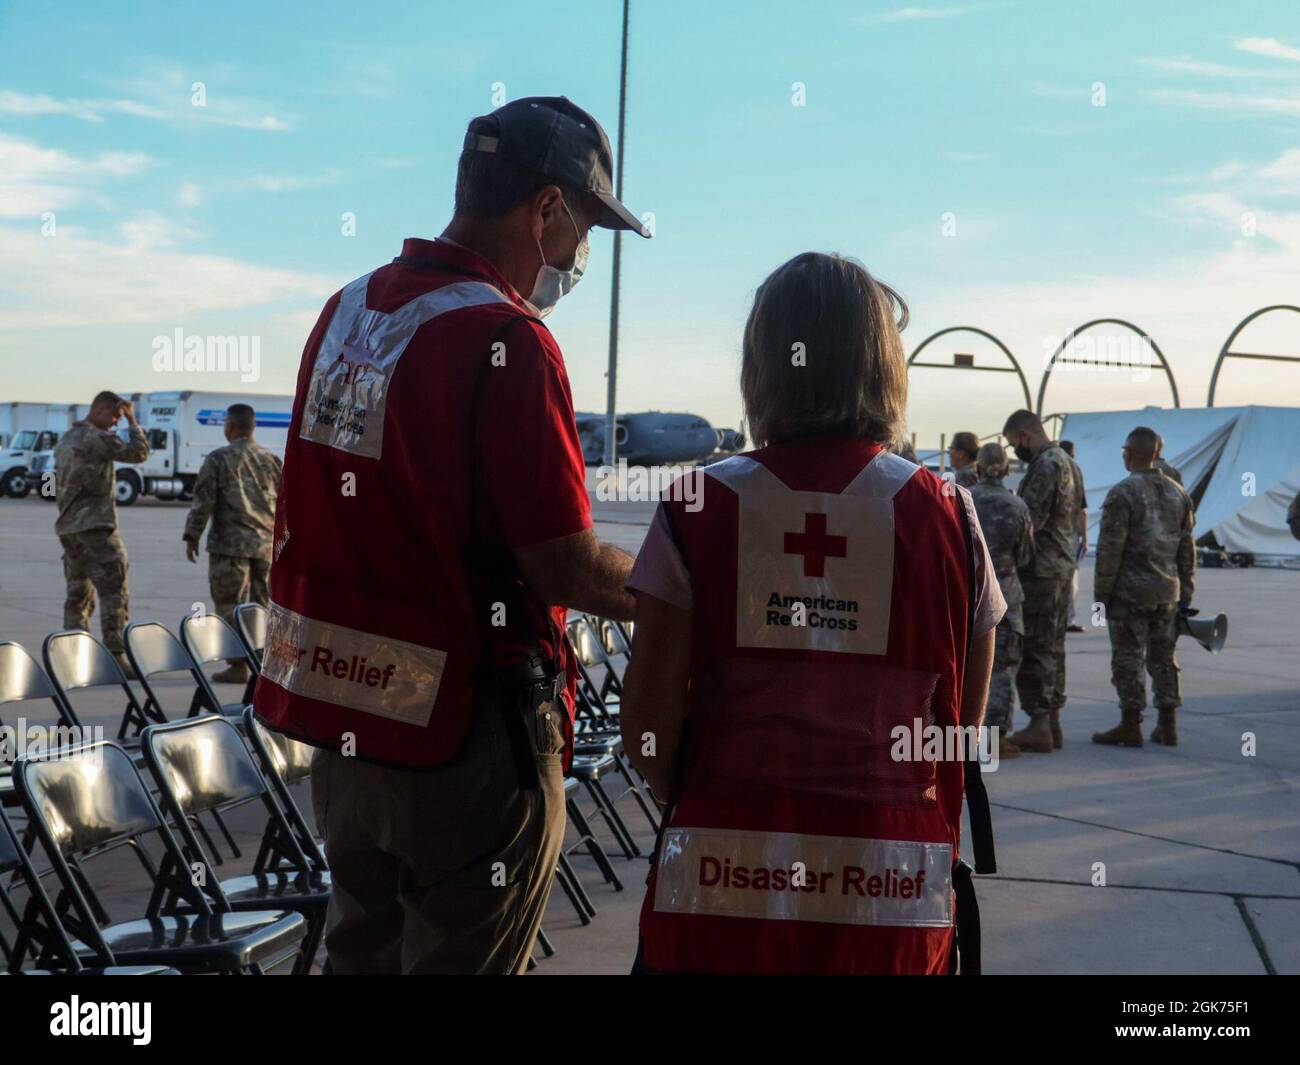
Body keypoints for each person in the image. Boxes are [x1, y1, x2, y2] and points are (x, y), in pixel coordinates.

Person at [254, 96, 648, 974]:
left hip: (349, 731)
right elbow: (563, 563)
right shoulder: (505, 338)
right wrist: (676, 586)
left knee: (361, 955)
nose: (581, 255)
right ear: (545, 209)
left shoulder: (347, 312)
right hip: (464, 741)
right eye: (584, 226)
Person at [621, 252, 1003, 974]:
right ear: (884, 364)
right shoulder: (951, 516)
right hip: (889, 897)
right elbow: (956, 724)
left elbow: (647, 731)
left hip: (720, 886)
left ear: (763, 363)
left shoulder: (695, 507)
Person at [1092, 427, 1196, 747]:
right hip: (1167, 592)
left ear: (1129, 454)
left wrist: (1101, 595)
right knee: (1164, 658)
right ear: (1155, 453)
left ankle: (1130, 723)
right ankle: (1167, 723)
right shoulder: (1178, 492)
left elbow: (1110, 549)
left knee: (1128, 658)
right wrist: (1186, 592)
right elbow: (1186, 549)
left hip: (1130, 593)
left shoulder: (1122, 493)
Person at [182, 403, 283, 684]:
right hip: (265, 546)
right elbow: (286, 503)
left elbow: (203, 501)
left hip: (230, 547)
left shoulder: (218, 459)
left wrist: (192, 535)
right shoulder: (271, 460)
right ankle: (265, 662)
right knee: (263, 605)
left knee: (230, 604)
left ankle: (238, 664)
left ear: (231, 426)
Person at [1001, 410, 1082, 752]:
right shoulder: (1068, 462)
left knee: (1034, 647)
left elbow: (1028, 521)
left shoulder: (1045, 465)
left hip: (1040, 572)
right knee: (1053, 646)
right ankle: (1051, 722)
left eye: (1012, 444)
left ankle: (1039, 721)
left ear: (1023, 435)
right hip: (1062, 568)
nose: (1013, 451)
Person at [53, 392, 150, 677]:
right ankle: (115, 657)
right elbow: (139, 453)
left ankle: (73, 659)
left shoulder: (66, 439)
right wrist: (133, 420)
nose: (115, 422)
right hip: (95, 526)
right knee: (114, 590)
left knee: (78, 594)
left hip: (69, 528)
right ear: (102, 408)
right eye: (115, 416)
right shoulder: (97, 438)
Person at [968, 442, 1034, 759]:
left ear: (976, 468)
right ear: (1007, 469)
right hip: (1005, 595)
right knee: (1003, 669)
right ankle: (996, 739)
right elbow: (1025, 555)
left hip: (965, 594)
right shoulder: (1017, 505)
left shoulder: (962, 500)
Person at [1059, 440, 1088, 634]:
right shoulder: (1074, 473)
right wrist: (1084, 537)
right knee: (1071, 580)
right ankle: (1067, 619)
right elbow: (1082, 511)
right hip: (1069, 536)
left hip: (1053, 537)